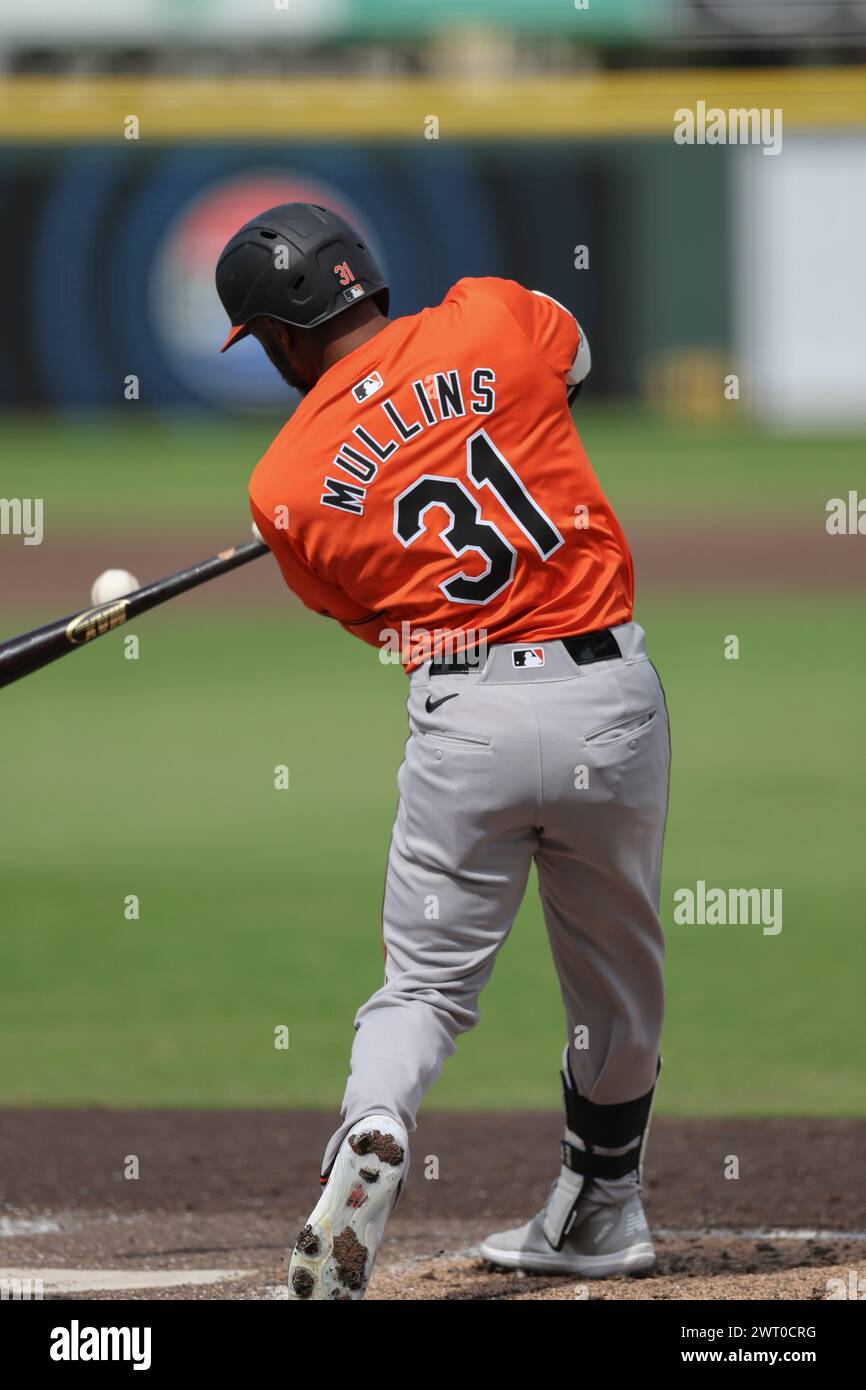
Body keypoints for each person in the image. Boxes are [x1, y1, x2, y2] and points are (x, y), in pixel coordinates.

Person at [216, 202, 670, 1301]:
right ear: (362, 277)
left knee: (421, 986)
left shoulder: (281, 488)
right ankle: (601, 1204)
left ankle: (371, 1125)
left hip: (464, 717)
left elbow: (383, 624)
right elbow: (574, 362)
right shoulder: (494, 316)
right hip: (607, 700)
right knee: (611, 988)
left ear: (277, 337)